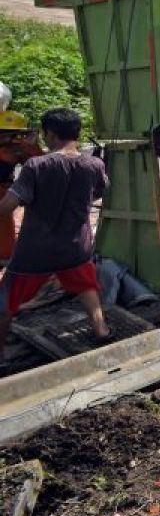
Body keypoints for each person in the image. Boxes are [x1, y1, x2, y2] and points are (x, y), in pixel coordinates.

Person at [0, 108, 110, 358]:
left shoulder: (36, 166)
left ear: (48, 133)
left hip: (36, 250)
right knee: (86, 286)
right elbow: (99, 192)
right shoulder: (94, 163)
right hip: (76, 247)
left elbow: (8, 206)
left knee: (5, 301)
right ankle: (102, 330)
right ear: (77, 132)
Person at [0, 110, 43, 264]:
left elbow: (41, 166)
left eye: (12, 134)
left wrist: (31, 147)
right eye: (3, 133)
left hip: (3, 193)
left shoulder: (18, 149)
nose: (7, 138)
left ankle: (4, 258)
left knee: (4, 226)